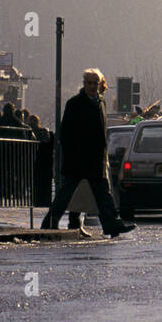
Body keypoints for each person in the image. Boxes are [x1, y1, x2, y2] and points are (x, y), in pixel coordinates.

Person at [40, 68, 134, 237]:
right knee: (64, 195)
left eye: (95, 83)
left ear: (99, 84)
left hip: (96, 158)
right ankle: (49, 223)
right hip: (78, 158)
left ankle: (112, 225)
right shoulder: (74, 103)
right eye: (89, 83)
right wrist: (71, 153)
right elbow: (66, 132)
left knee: (103, 195)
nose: (92, 86)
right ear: (84, 84)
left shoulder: (101, 102)